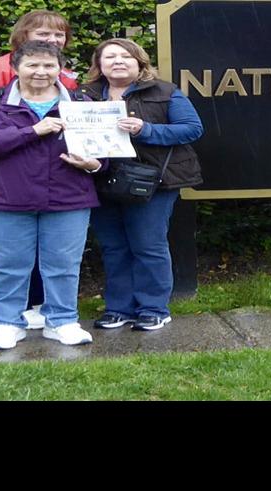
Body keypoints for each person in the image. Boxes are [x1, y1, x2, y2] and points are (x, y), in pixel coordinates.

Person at [0, 41, 106, 350]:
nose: (41, 72)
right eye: (32, 65)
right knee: (9, 265)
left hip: (69, 197)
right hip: (6, 198)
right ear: (16, 68)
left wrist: (95, 164)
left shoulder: (81, 101)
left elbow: (104, 148)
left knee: (64, 263)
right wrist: (33, 131)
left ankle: (62, 321)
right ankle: (6, 324)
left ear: (60, 69)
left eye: (49, 65)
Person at [0, 9, 78, 331]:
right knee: (13, 252)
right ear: (22, 38)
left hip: (59, 180)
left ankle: (43, 310)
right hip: (8, 171)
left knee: (55, 254)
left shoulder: (67, 76)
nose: (52, 40)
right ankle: (14, 315)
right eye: (44, 34)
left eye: (58, 35)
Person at [81, 38, 204, 331]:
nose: (118, 61)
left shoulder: (165, 91)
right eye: (110, 57)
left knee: (148, 245)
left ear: (140, 62)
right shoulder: (83, 96)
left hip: (151, 182)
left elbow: (192, 129)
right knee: (113, 247)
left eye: (126, 56)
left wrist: (145, 129)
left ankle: (153, 308)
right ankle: (118, 308)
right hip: (100, 178)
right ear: (99, 65)